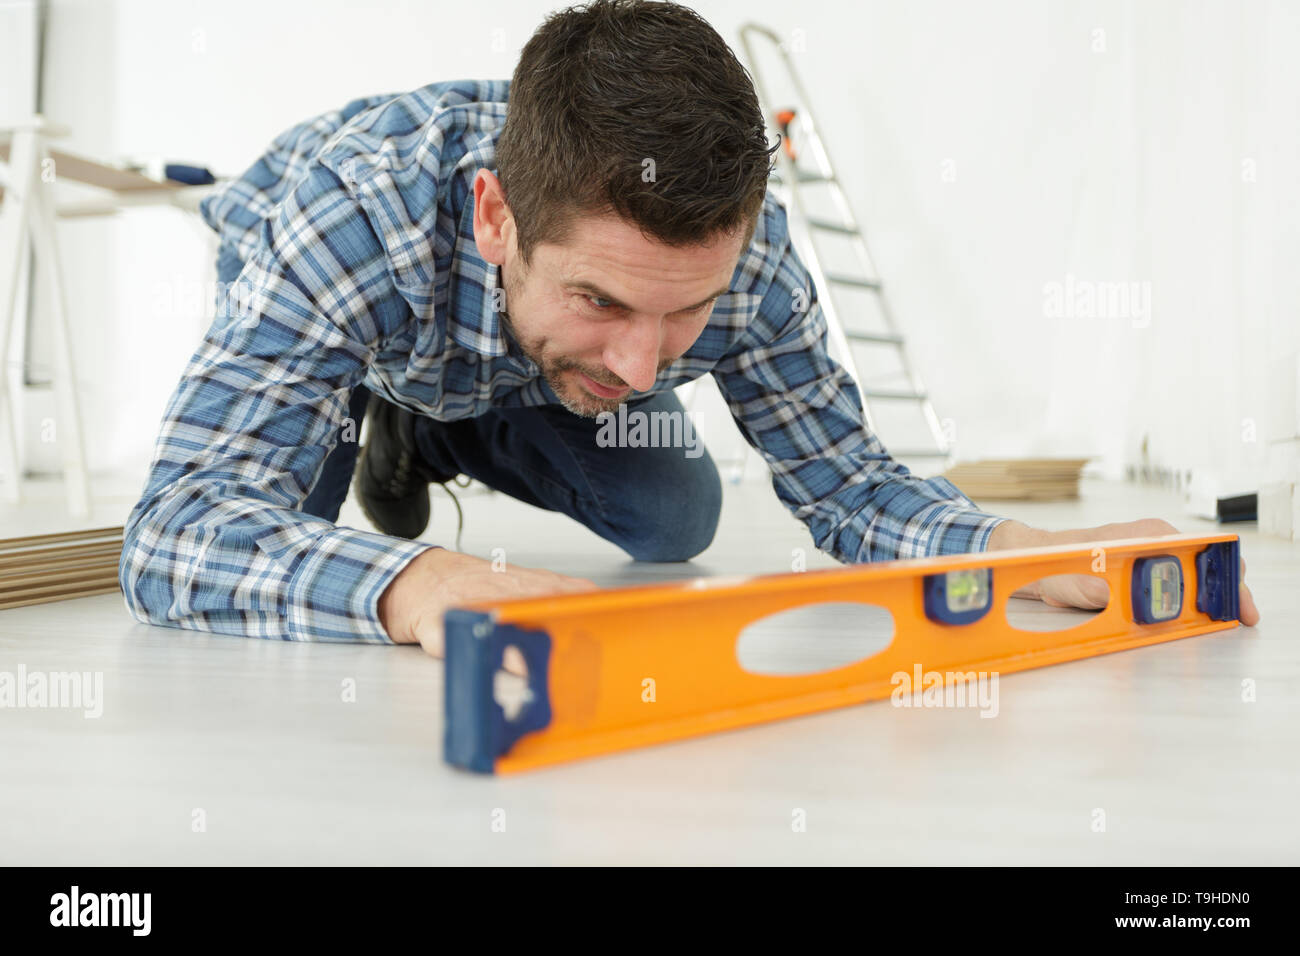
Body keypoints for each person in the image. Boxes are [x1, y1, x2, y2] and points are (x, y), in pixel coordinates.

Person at [120, 0, 1259, 660]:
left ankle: (426, 435)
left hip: (495, 358)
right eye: (604, 301)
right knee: (299, 542)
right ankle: (384, 411)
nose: (640, 365)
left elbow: (853, 490)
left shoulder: (748, 261)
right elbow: (175, 532)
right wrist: (421, 584)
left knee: (674, 515)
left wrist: (1030, 554)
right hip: (349, 327)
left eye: (685, 314)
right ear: (496, 218)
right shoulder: (352, 220)